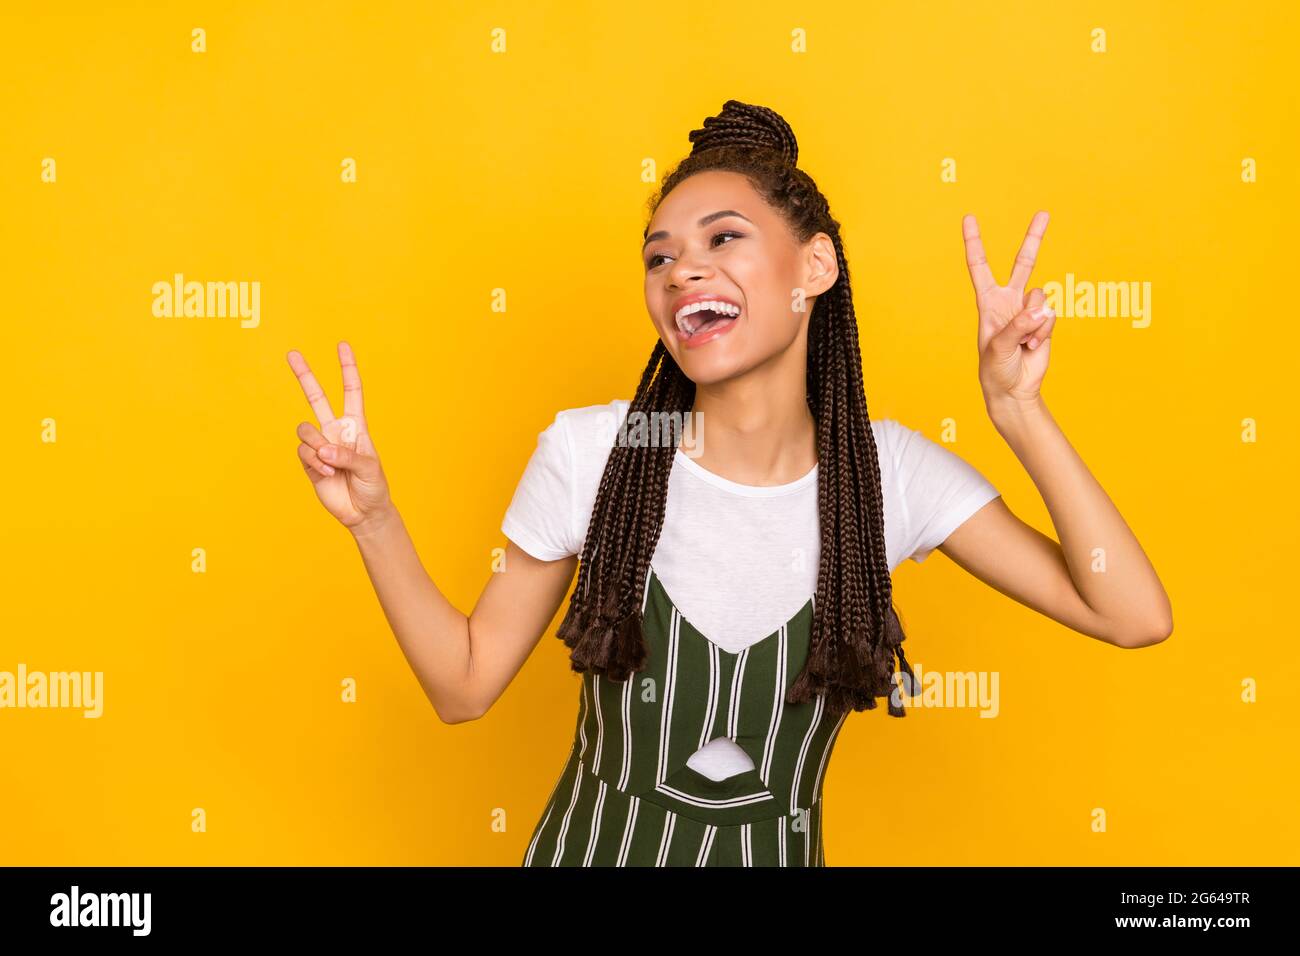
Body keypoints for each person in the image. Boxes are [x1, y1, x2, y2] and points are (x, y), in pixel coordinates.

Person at [285, 100, 1173, 867]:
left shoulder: (887, 475)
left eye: (724, 240)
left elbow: (1133, 616)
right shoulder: (598, 453)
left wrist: (1018, 409)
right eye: (659, 258)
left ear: (815, 269)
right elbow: (463, 687)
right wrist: (374, 519)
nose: (684, 272)